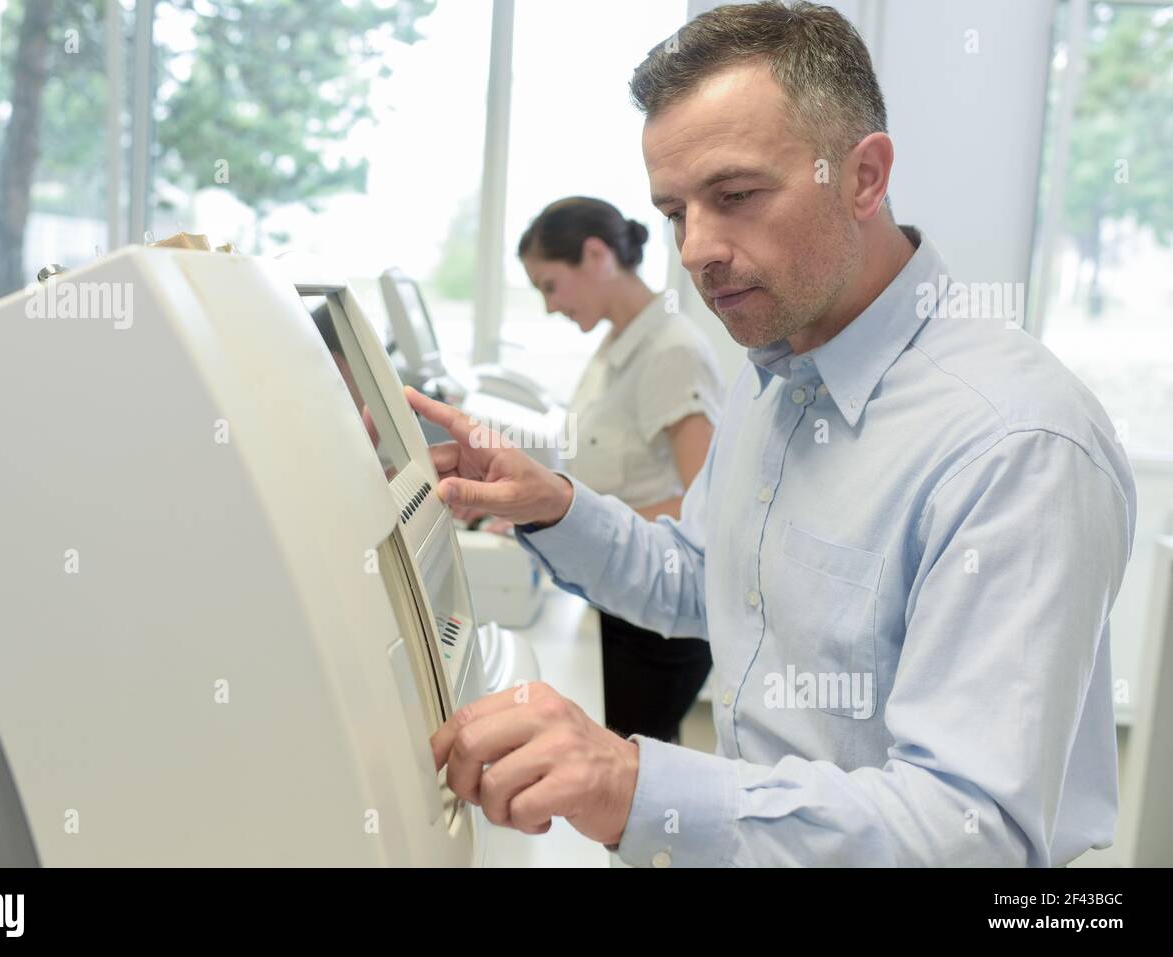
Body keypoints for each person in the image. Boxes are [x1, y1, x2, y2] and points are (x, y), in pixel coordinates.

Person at [405, 1, 1136, 867]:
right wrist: (553, 505)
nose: (695, 249)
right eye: (676, 211)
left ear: (864, 177)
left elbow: (968, 832)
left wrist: (631, 786)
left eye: (737, 196)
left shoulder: (1016, 443)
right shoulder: (778, 369)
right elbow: (705, 581)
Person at [517, 196, 723, 743]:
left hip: (662, 621)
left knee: (639, 782)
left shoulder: (670, 350)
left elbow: (708, 502)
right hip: (625, 599)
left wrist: (569, 517)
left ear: (595, 254)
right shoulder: (617, 344)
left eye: (550, 285)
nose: (549, 306)